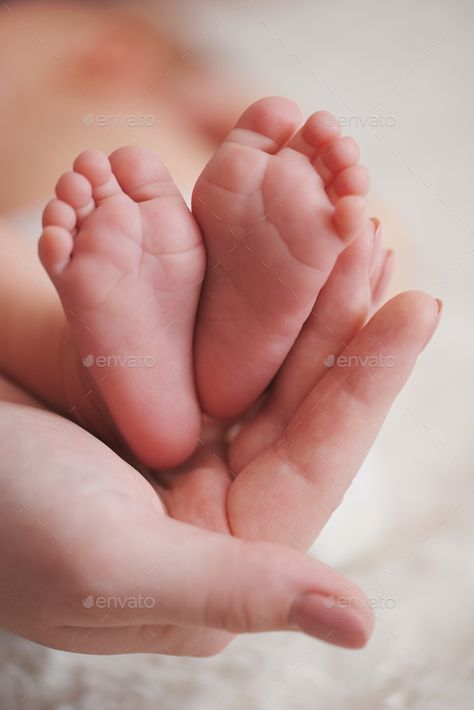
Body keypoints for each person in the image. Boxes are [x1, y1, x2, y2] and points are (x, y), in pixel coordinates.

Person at [0, 92, 442, 655]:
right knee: (367, 239)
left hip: (102, 249)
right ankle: (229, 358)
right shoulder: (177, 108)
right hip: (302, 471)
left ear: (108, 49)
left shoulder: (115, 72)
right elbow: (298, 149)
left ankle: (84, 363)